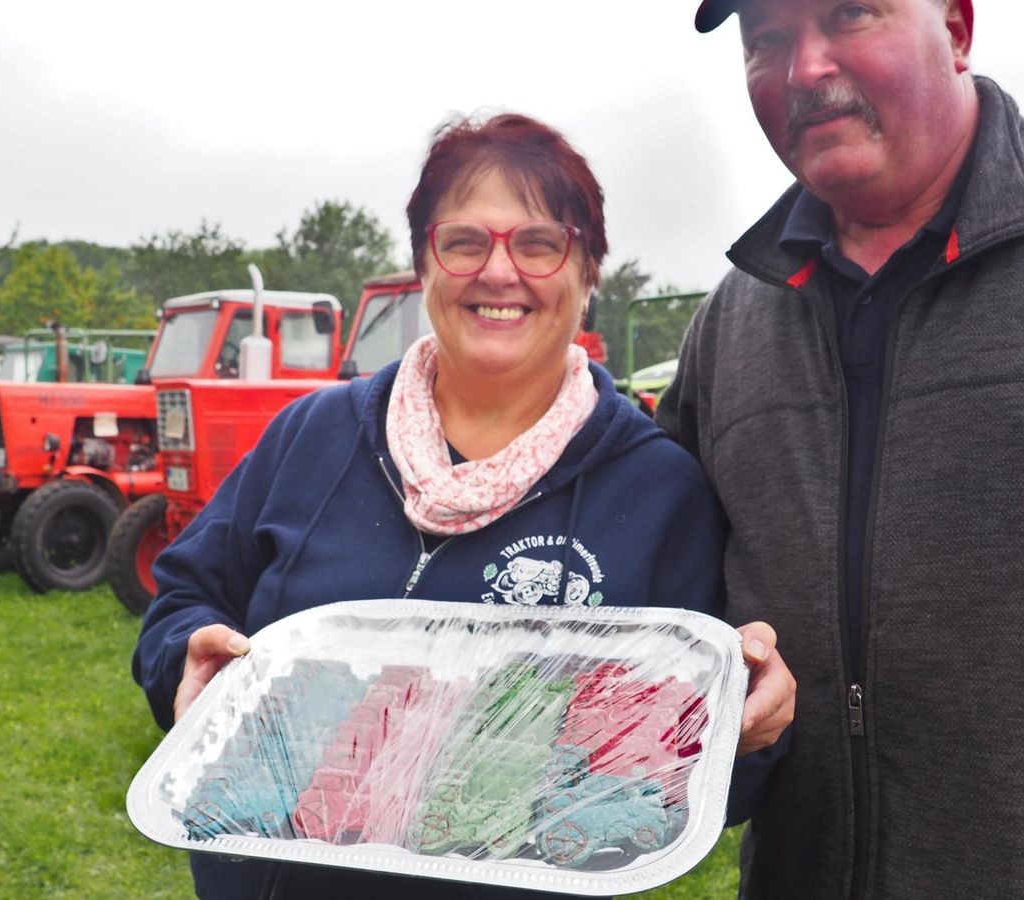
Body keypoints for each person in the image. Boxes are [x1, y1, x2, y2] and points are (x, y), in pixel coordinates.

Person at [135, 113, 797, 900]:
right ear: (424, 264)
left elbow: (700, 764)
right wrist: (184, 656)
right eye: (464, 242)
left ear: (588, 273)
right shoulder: (312, 436)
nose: (499, 272)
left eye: (540, 243)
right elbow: (184, 599)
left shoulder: (659, 490)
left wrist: (745, 732)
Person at [659, 1, 1024, 897]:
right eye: (765, 38)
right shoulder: (730, 323)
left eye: (849, 14)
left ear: (956, 28)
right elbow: (665, 602)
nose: (802, 68)